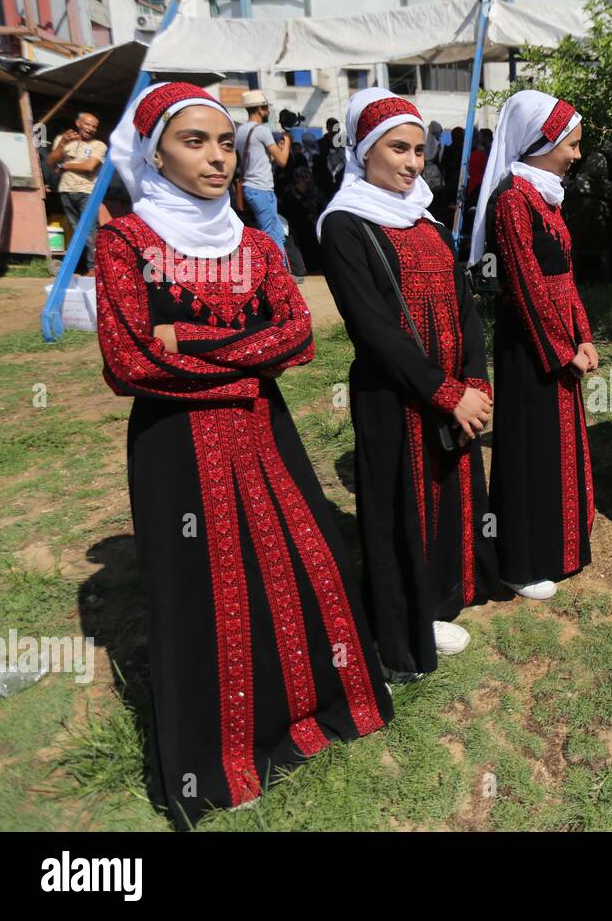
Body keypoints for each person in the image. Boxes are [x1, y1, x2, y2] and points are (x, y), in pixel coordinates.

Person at [95, 82, 392, 829]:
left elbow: (296, 335)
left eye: (225, 141)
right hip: (176, 447)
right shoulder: (125, 241)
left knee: (300, 563)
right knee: (206, 588)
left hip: (264, 431)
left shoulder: (257, 243)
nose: (217, 157)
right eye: (194, 141)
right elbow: (127, 361)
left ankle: (311, 709)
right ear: (155, 151)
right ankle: (222, 751)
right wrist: (241, 362)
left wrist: (186, 341)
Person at [317, 88, 499, 682]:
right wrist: (445, 393)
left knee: (447, 497)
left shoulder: (422, 217)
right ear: (365, 150)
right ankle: (400, 635)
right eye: (398, 148)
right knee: (399, 510)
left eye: (420, 150)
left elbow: (464, 302)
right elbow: (374, 329)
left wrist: (474, 378)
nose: (412, 163)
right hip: (395, 397)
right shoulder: (344, 224)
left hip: (453, 393)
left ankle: (440, 600)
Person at [470, 90, 597, 600]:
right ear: (543, 141)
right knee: (528, 451)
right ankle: (519, 562)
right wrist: (561, 350)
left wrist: (584, 335)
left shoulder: (544, 195)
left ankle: (558, 544)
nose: (577, 154)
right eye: (572, 143)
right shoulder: (512, 201)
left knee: (556, 446)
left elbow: (564, 278)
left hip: (559, 341)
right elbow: (523, 284)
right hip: (530, 349)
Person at [48, 111, 106, 272]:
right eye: (88, 124)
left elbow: (89, 167)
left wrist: (64, 166)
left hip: (87, 192)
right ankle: (79, 267)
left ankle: (94, 269)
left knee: (90, 230)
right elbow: (51, 161)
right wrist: (62, 145)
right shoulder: (63, 140)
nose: (91, 129)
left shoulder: (99, 145)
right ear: (78, 123)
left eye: (94, 126)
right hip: (66, 190)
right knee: (76, 231)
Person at [237, 90, 292, 261]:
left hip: (251, 187)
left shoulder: (240, 131)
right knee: (272, 233)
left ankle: (282, 271)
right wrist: (288, 139)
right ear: (260, 109)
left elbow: (260, 161)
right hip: (261, 188)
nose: (267, 112)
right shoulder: (261, 131)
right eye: (266, 108)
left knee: (274, 231)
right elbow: (282, 160)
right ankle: (279, 274)